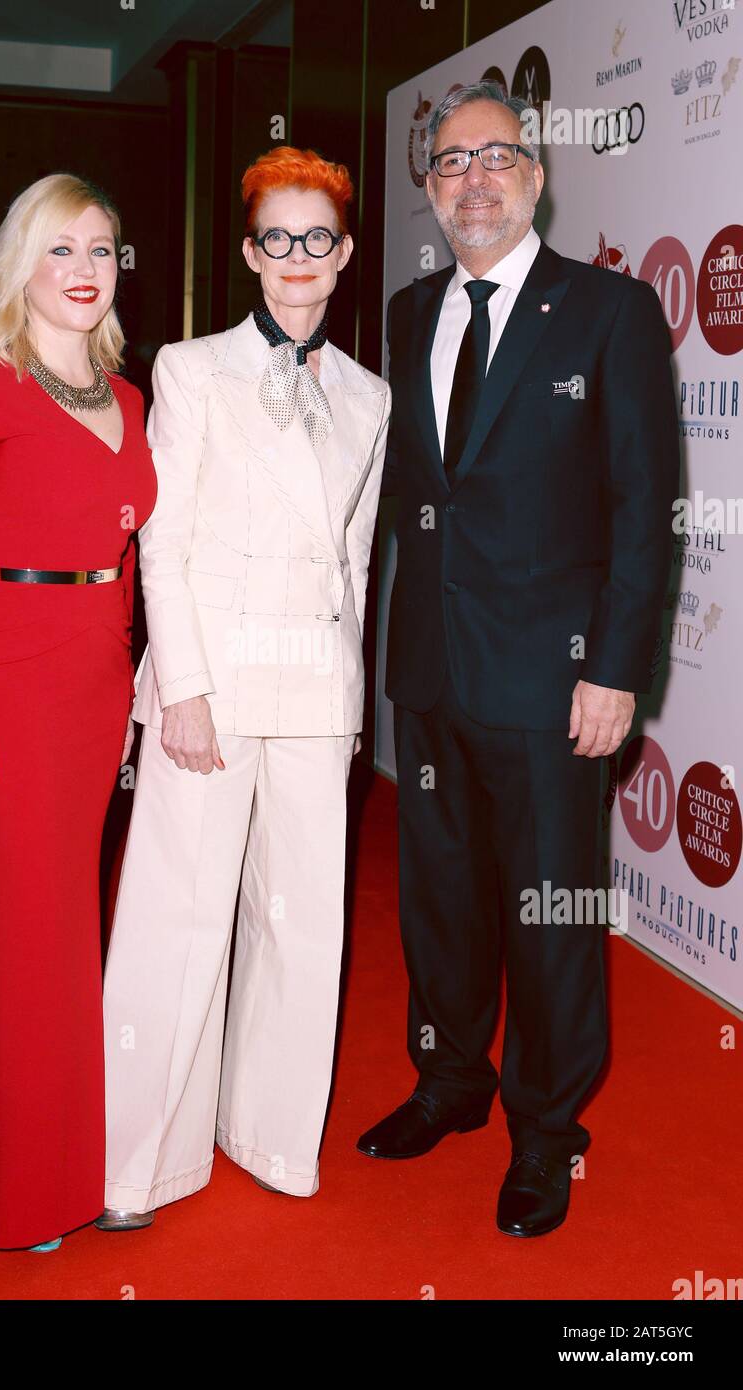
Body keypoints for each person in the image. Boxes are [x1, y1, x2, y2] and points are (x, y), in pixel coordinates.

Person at [359, 81, 678, 1237]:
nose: (473, 181)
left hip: (556, 680)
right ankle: (448, 1082)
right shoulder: (404, 312)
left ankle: (547, 1133)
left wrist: (617, 671)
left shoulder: (608, 312)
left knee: (549, 914)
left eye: (496, 159)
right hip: (433, 671)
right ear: (432, 188)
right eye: (450, 165)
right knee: (440, 905)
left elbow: (645, 505)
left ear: (535, 176)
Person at [99, 146, 390, 1228]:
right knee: (177, 917)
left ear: (345, 252)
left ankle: (271, 1135)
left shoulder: (370, 395)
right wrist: (179, 684)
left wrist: (353, 702)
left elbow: (356, 563)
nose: (296, 260)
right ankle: (137, 1163)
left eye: (318, 239)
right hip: (209, 687)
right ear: (248, 251)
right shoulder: (188, 368)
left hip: (316, 691)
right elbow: (159, 543)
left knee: (302, 922)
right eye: (277, 238)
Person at [0, 172, 157, 1251]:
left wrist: (143, 666)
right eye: (60, 250)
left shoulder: (129, 395)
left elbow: (132, 552)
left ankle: (37, 1159)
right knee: (29, 925)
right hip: (4, 681)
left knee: (54, 927)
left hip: (98, 679)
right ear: (21, 265)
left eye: (99, 249)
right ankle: (28, 1184)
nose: (84, 270)